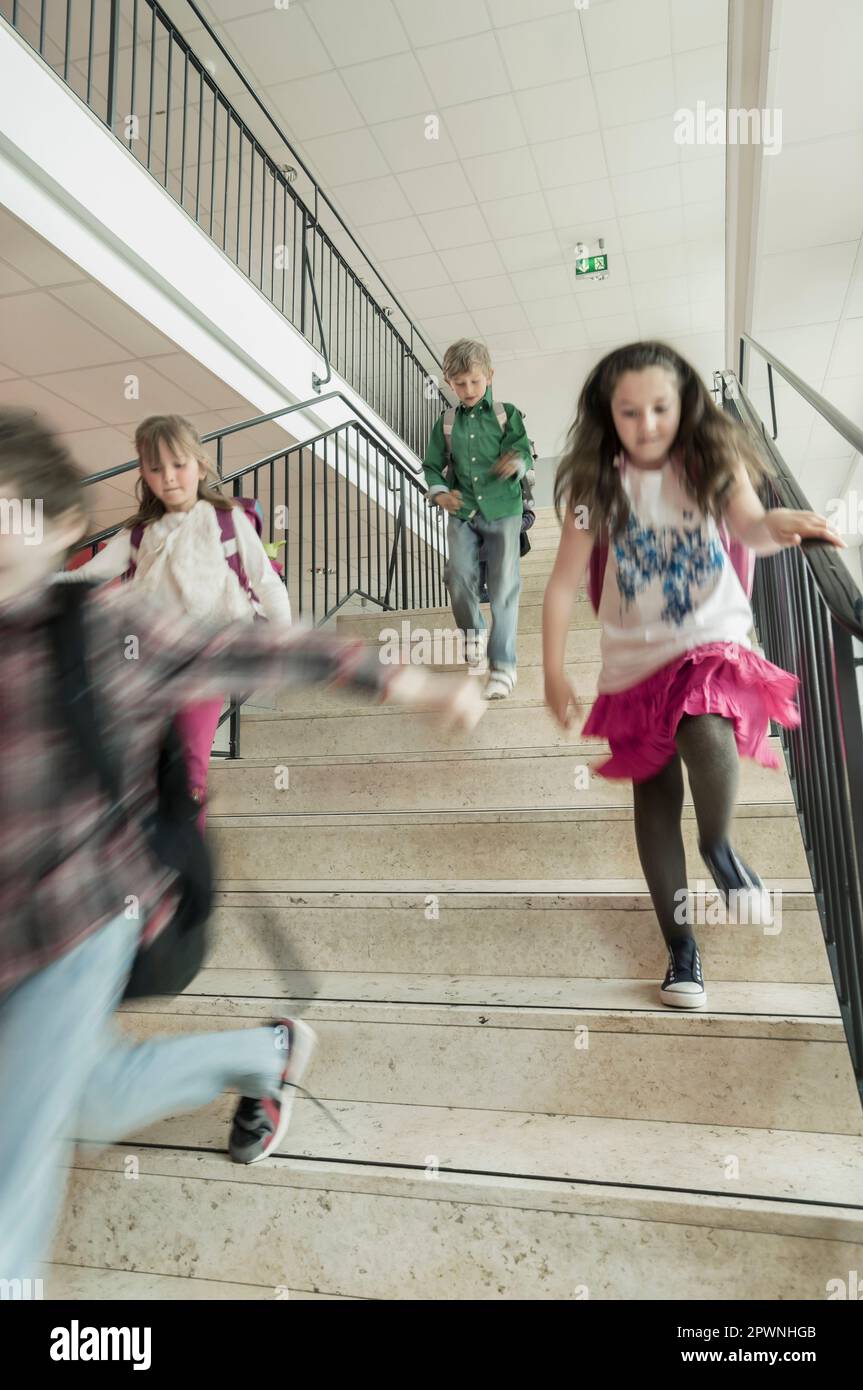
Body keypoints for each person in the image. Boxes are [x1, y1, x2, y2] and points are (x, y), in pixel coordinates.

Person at [0, 409, 485, 1286]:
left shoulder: (105, 624)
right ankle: (268, 1054)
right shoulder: (129, 546)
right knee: (89, 1097)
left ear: (60, 524)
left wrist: (411, 683)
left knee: (10, 1165)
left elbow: (262, 636)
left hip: (80, 915)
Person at [542, 342, 843, 1008]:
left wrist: (777, 523)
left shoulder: (709, 461)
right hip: (632, 662)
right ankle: (681, 949)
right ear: (607, 414)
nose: (646, 424)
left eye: (660, 408)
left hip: (706, 639)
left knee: (706, 730)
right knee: (652, 799)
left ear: (684, 405)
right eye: (629, 412)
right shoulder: (596, 487)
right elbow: (562, 585)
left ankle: (719, 846)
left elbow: (750, 525)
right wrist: (553, 671)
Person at [56, 414, 289, 830]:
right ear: (144, 473)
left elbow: (266, 582)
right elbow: (83, 578)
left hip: (205, 662)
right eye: (155, 467)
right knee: (139, 768)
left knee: (191, 767)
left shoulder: (226, 520)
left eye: (178, 464)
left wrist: (282, 640)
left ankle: (183, 873)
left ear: (200, 466)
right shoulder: (140, 534)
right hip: (145, 665)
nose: (168, 477)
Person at [423, 339, 533, 699]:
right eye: (459, 383)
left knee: (503, 586)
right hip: (463, 510)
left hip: (504, 509)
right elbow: (431, 466)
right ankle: (473, 631)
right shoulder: (447, 422)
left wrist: (514, 463)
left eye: (475, 381)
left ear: (489, 375)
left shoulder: (507, 413)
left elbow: (523, 452)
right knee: (457, 576)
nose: (468, 390)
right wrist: (439, 492)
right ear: (448, 383)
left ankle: (503, 667)